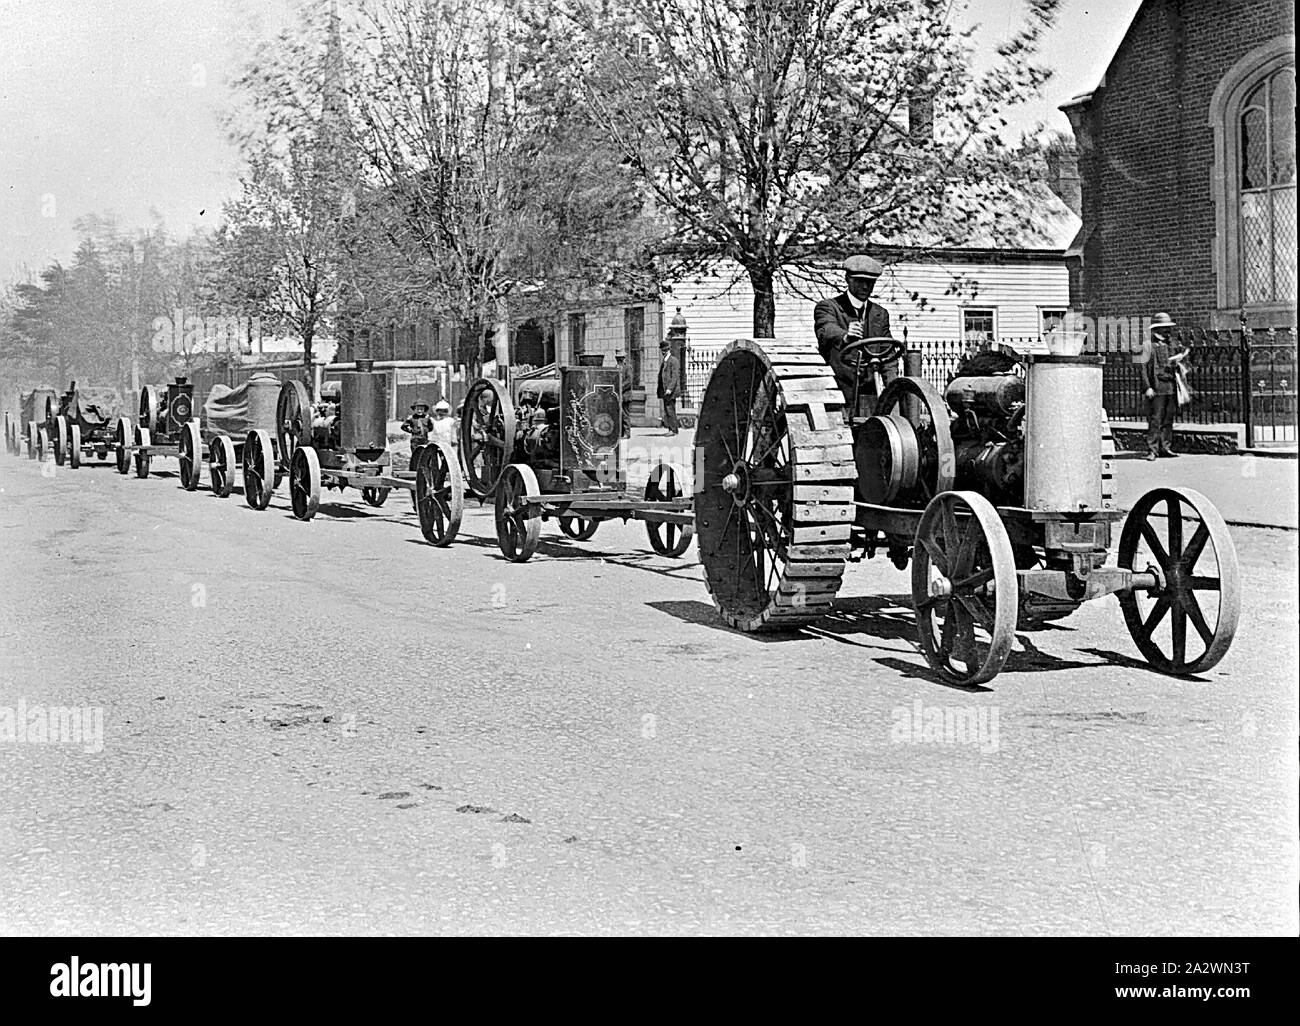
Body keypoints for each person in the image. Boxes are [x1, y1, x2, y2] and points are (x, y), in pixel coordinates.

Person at [813, 254, 895, 410]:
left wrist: (894, 390)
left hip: (868, 396)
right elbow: (826, 329)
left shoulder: (880, 314)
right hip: (836, 390)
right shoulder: (829, 307)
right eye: (859, 281)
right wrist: (845, 336)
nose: (865, 287)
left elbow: (888, 355)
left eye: (870, 282)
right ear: (848, 279)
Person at [1140, 312, 1183, 460]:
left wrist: (1178, 363)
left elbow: (1178, 365)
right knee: (1155, 420)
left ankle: (1166, 447)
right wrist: (1147, 387)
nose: (1167, 331)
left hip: (1169, 385)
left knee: (1168, 419)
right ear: (1156, 329)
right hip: (1156, 387)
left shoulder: (1171, 345)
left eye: (1168, 328)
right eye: (1164, 328)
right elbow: (1143, 369)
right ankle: (1152, 450)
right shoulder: (1147, 346)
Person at [657, 338, 680, 436]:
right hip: (665, 390)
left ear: (669, 350)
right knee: (668, 409)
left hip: (670, 391)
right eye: (662, 351)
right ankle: (672, 429)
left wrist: (669, 389)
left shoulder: (673, 361)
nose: (664, 352)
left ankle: (673, 430)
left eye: (665, 350)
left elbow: (674, 377)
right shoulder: (664, 361)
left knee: (670, 409)